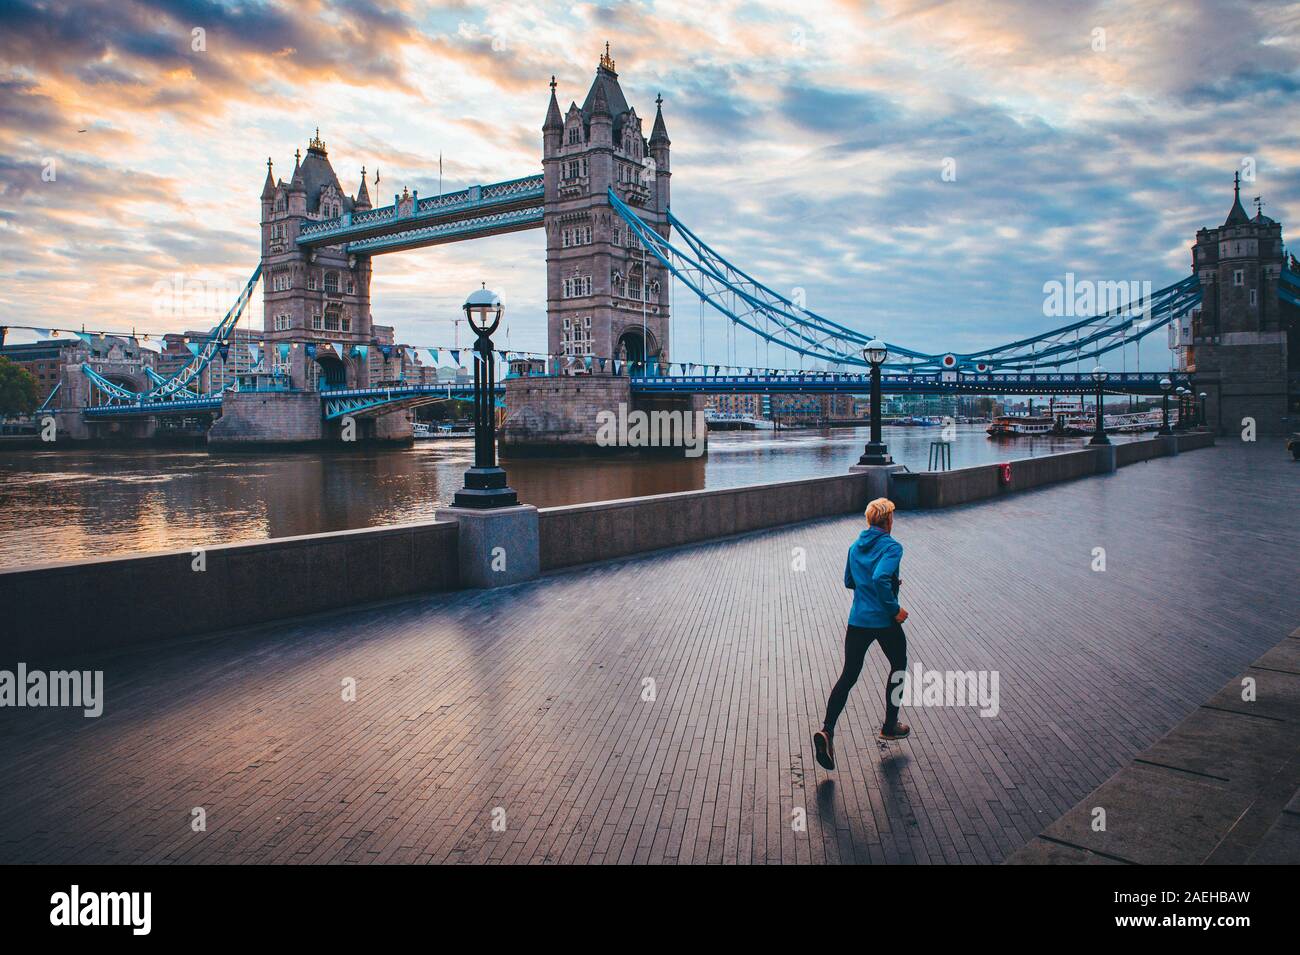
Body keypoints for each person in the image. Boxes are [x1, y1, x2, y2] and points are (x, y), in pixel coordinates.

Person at [813, 497, 909, 771]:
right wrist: (894, 608)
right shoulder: (892, 547)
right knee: (899, 667)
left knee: (849, 675)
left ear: (869, 521)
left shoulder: (855, 547)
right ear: (888, 520)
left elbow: (849, 581)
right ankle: (890, 725)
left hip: (858, 620)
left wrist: (881, 582)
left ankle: (827, 731)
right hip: (883, 620)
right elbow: (879, 577)